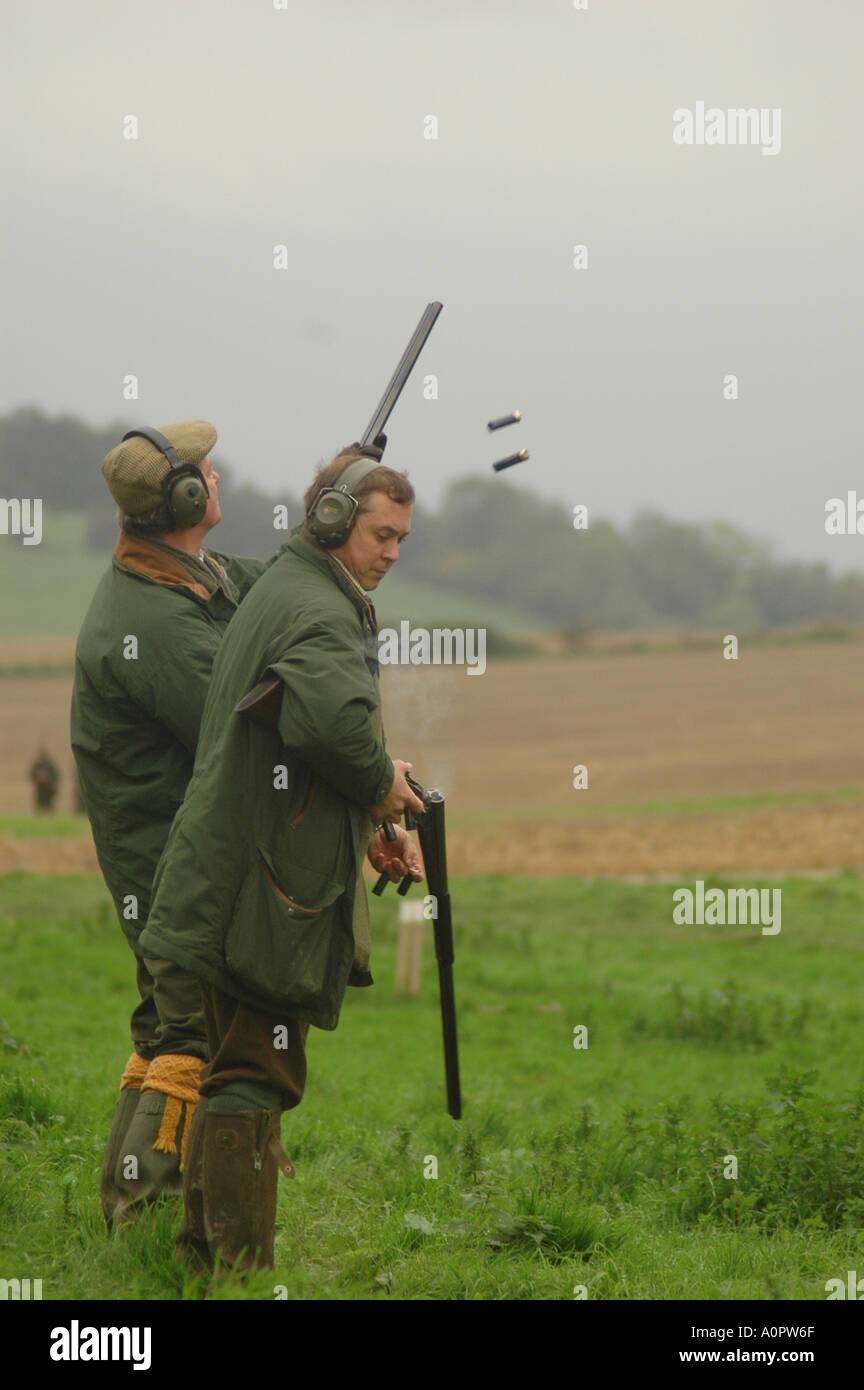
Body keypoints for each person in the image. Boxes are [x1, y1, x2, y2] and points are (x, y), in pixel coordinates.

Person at [139, 441, 424, 1272]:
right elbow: (333, 727)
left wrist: (369, 797)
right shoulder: (319, 607)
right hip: (259, 890)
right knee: (257, 1073)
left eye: (403, 538)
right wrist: (379, 785)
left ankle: (199, 1262)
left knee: (235, 1064)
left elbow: (302, 730)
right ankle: (237, 1269)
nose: (393, 553)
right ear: (333, 521)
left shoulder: (288, 584)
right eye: (381, 535)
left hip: (233, 871)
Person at [70, 420, 270, 1230]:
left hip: (169, 859)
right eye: (205, 472)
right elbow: (246, 732)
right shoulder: (153, 623)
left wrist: (333, 520)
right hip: (167, 868)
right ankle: (148, 1217)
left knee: (163, 1026)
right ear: (187, 497)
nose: (217, 477)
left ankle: (127, 1214)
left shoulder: (182, 575)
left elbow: (267, 583)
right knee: (190, 1034)